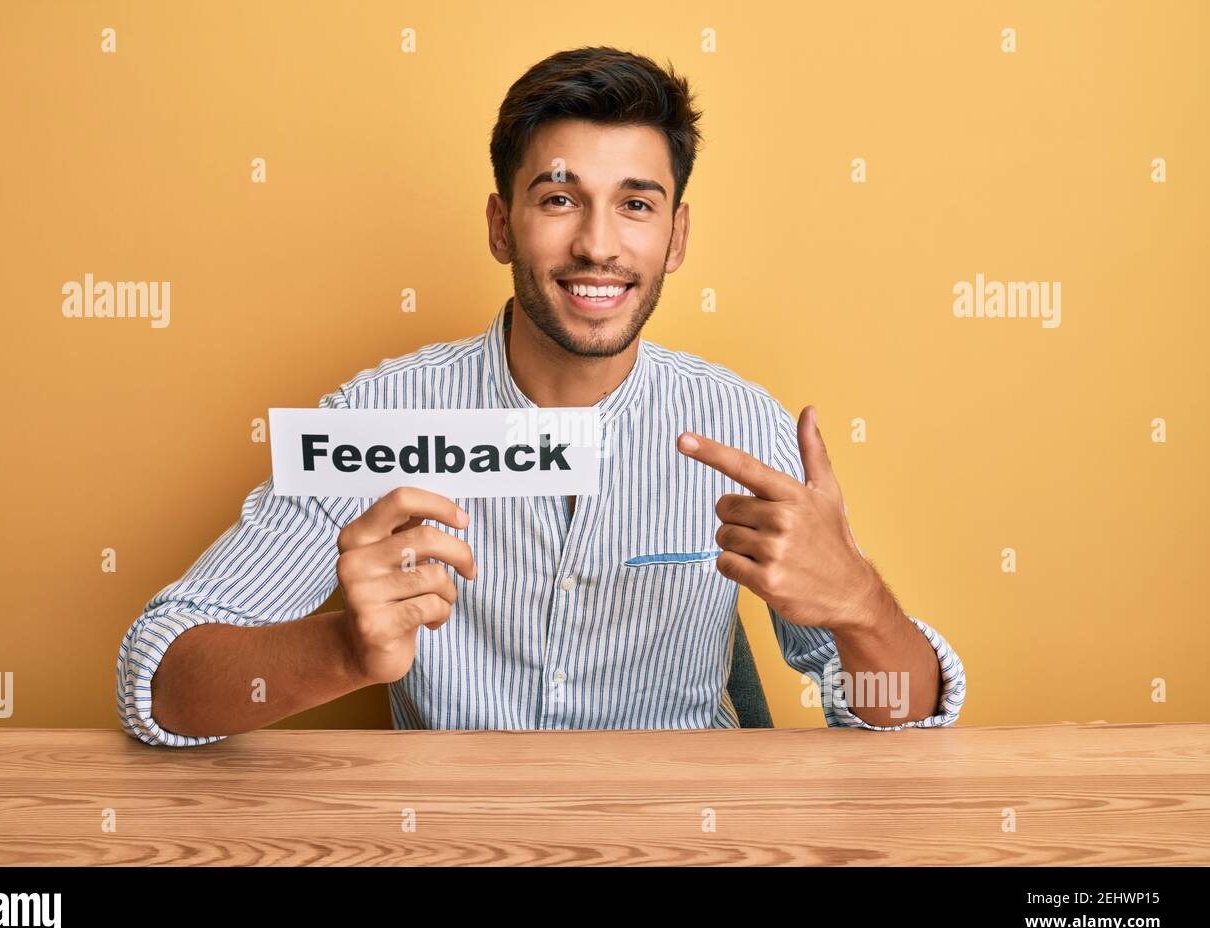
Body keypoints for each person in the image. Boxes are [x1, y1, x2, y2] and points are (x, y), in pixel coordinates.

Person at [117, 46, 966, 746]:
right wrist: (341, 647)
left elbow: (910, 720)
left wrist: (858, 603)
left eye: (636, 205)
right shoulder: (376, 422)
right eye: (559, 200)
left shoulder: (742, 427)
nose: (597, 244)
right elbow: (157, 684)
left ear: (675, 238)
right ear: (500, 225)